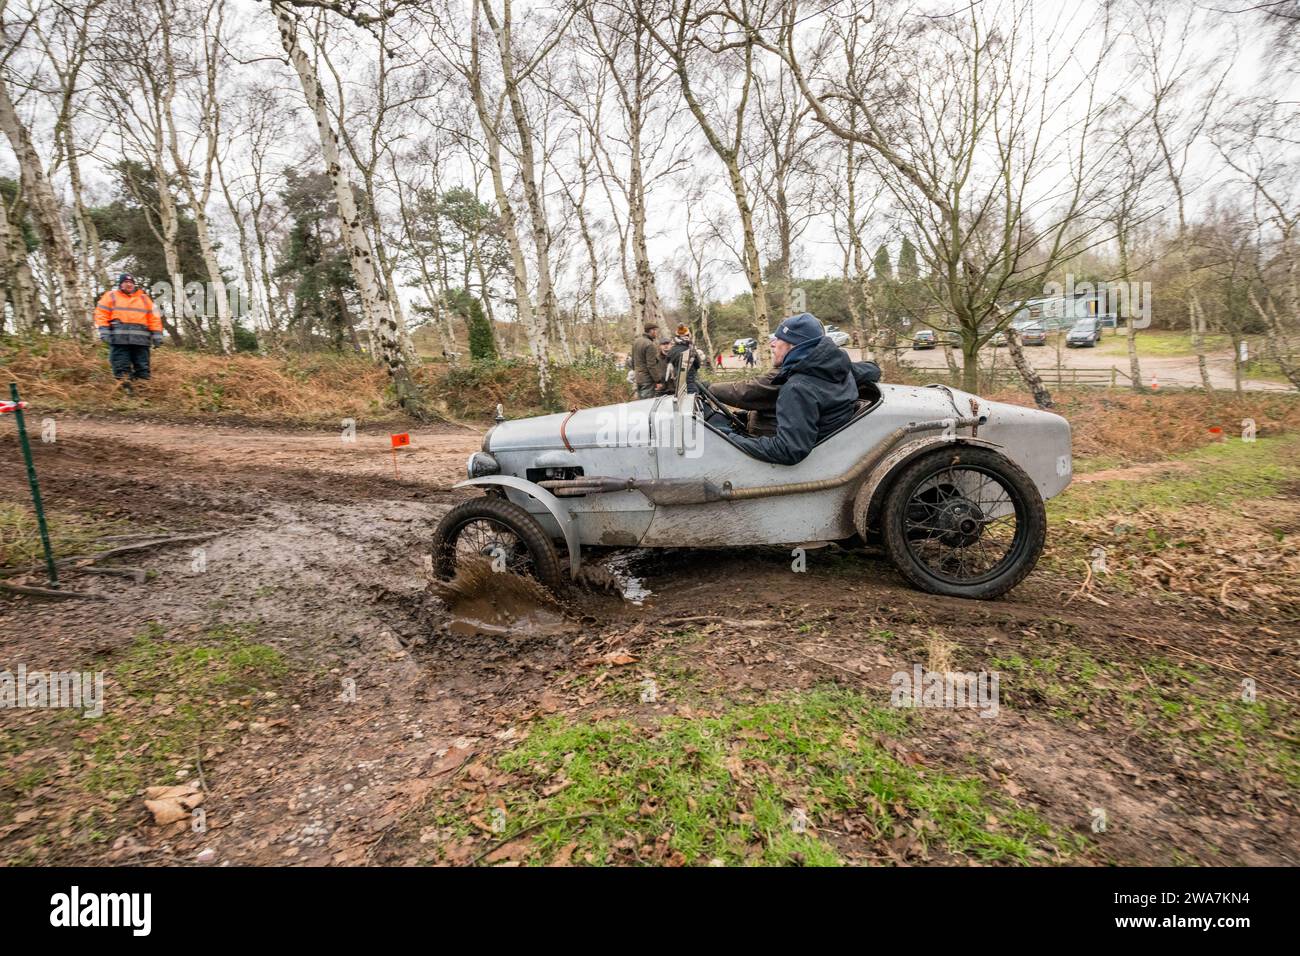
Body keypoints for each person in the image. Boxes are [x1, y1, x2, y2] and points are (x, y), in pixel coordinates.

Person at [723, 313, 860, 465]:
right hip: (832, 454)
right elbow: (871, 370)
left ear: (795, 345)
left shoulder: (797, 387)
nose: (772, 344)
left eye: (778, 338)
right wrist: (745, 416)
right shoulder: (836, 368)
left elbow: (788, 450)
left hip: (811, 468)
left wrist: (729, 439)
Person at [94, 273, 164, 394]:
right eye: (126, 282)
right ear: (120, 284)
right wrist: (104, 331)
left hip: (141, 340)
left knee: (143, 366)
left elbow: (154, 318)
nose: (129, 284)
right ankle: (126, 390)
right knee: (121, 365)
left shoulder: (144, 298)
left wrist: (157, 335)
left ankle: (143, 391)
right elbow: (101, 314)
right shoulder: (110, 296)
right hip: (119, 340)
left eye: (131, 282)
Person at [665, 324, 702, 394]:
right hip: (691, 385)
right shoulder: (691, 350)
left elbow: (667, 361)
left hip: (677, 387)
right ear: (688, 336)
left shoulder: (671, 351)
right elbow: (698, 365)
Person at [631, 321, 664, 399]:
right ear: (651, 331)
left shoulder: (636, 342)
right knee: (647, 404)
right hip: (647, 379)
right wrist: (658, 381)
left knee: (641, 403)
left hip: (638, 378)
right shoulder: (650, 344)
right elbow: (651, 365)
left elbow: (633, 362)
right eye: (655, 330)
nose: (656, 333)